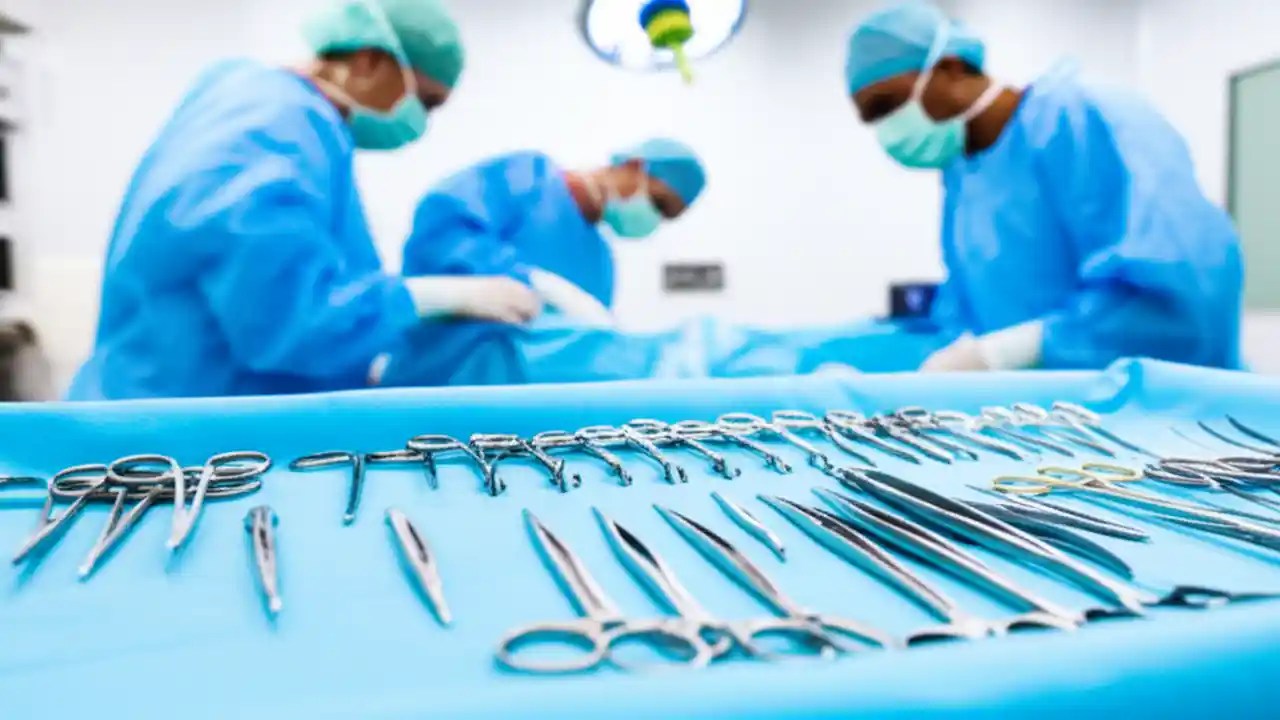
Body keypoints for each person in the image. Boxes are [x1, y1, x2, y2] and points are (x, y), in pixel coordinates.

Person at [68, 0, 527, 400]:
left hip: (176, 406)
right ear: (368, 62)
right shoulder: (275, 128)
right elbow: (283, 319)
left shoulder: (256, 101)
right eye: (426, 101)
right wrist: (430, 297)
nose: (421, 122)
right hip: (183, 439)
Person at [844, 1, 1244, 371]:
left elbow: (1184, 306)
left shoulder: (1085, 117)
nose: (885, 128)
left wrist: (1009, 353)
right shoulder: (964, 176)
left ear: (950, 68)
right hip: (1047, 427)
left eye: (886, 105)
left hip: (1167, 423)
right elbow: (962, 316)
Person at [402, 138, 707, 315]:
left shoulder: (601, 265)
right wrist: (530, 283)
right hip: (447, 380)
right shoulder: (529, 177)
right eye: (658, 202)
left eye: (666, 216)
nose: (654, 218)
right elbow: (440, 232)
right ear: (635, 166)